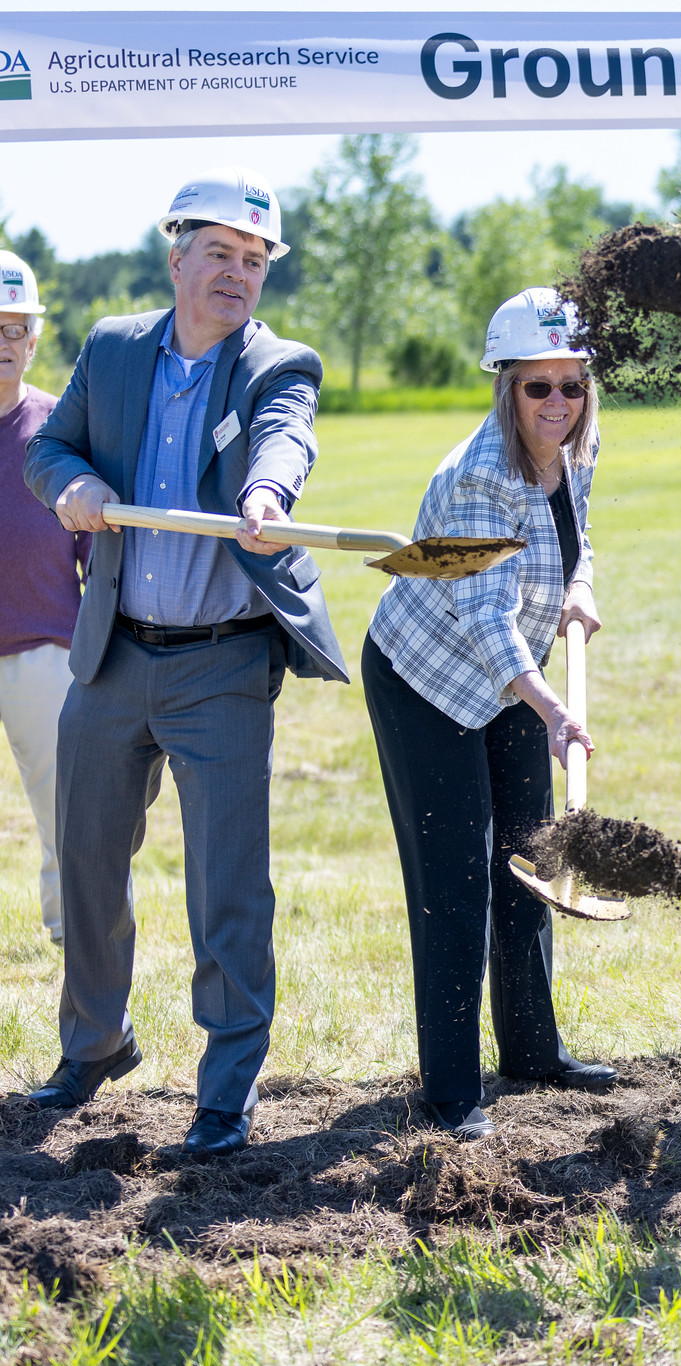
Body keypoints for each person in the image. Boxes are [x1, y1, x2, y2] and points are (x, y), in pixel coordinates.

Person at [21, 167, 344, 1158]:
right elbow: (49, 449)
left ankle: (227, 1089)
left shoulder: (277, 363)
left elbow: (284, 439)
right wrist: (73, 483)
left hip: (223, 665)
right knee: (85, 860)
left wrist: (267, 497)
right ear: (177, 259)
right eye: (219, 253)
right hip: (113, 655)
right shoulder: (115, 349)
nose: (237, 273)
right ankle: (94, 1044)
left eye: (253, 259)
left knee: (226, 887)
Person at [363, 288, 614, 1142]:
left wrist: (580, 588)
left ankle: (534, 1053)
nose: (557, 403)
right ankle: (449, 1091)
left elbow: (578, 534)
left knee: (528, 856)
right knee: (456, 881)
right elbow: (484, 616)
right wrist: (551, 706)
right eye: (538, 386)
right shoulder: (480, 475)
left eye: (572, 385)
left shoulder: (577, 444)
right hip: (429, 679)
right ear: (506, 386)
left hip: (512, 676)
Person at [0, 249, 86, 945]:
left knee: (69, 808)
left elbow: (99, 551)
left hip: (46, 650)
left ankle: (76, 937)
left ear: (34, 339)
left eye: (14, 328)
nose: (3, 341)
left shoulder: (60, 430)